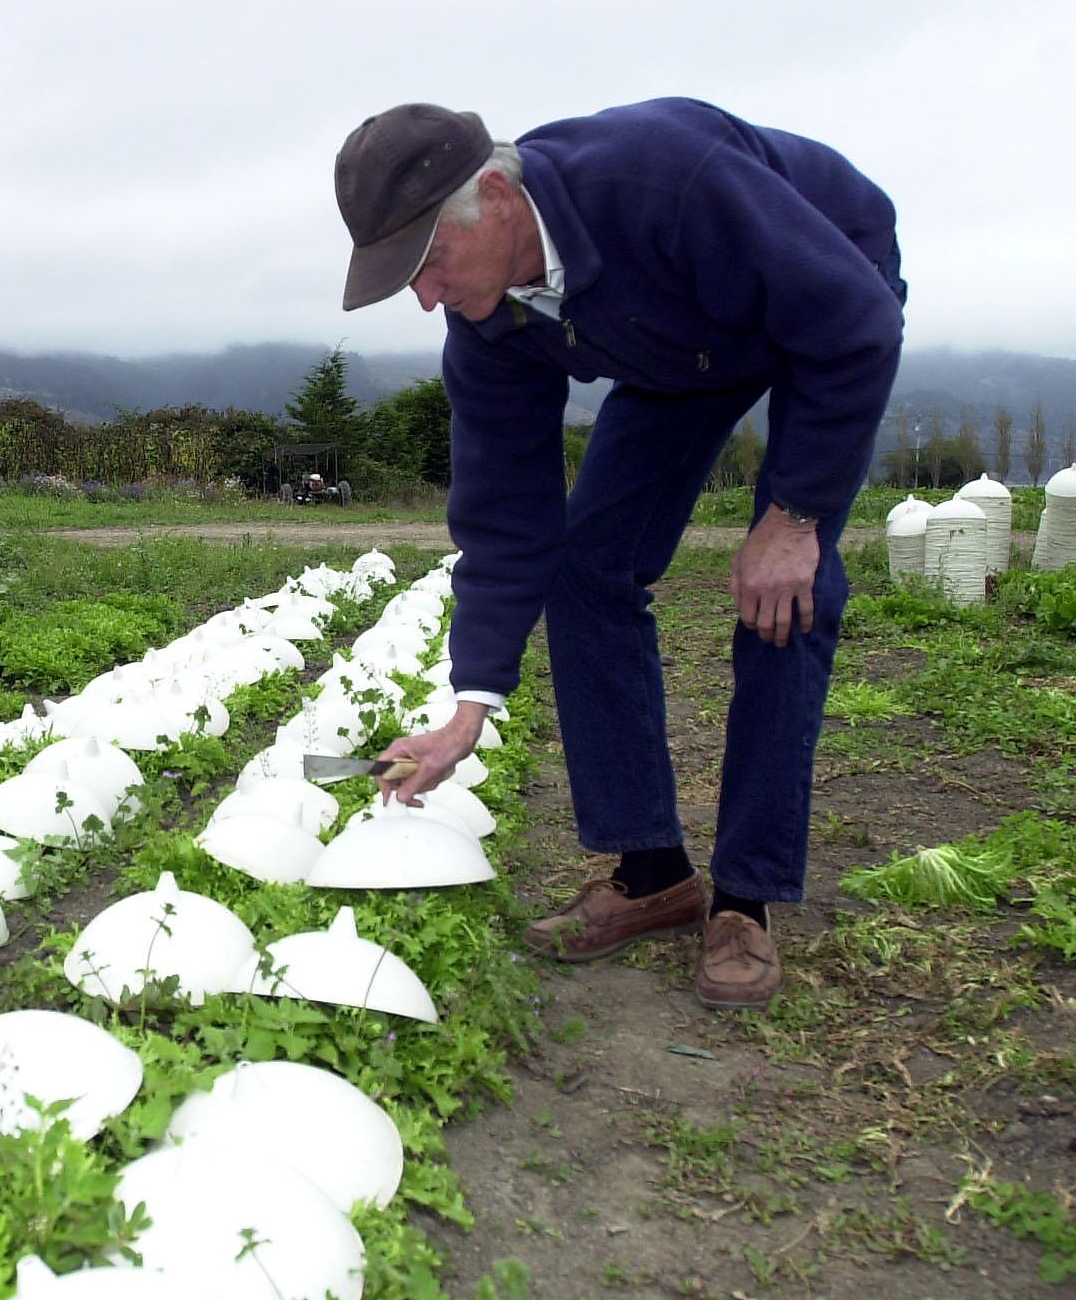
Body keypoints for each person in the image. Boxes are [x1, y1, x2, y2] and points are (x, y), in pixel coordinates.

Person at [336, 99, 906, 1008]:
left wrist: (794, 518)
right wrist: (467, 709)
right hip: (677, 345)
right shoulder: (491, 324)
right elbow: (507, 517)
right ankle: (655, 875)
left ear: (495, 196)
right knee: (583, 564)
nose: (427, 295)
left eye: (430, 260)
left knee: (782, 594)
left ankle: (746, 902)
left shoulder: (665, 181)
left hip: (820, 294)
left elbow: (854, 323)